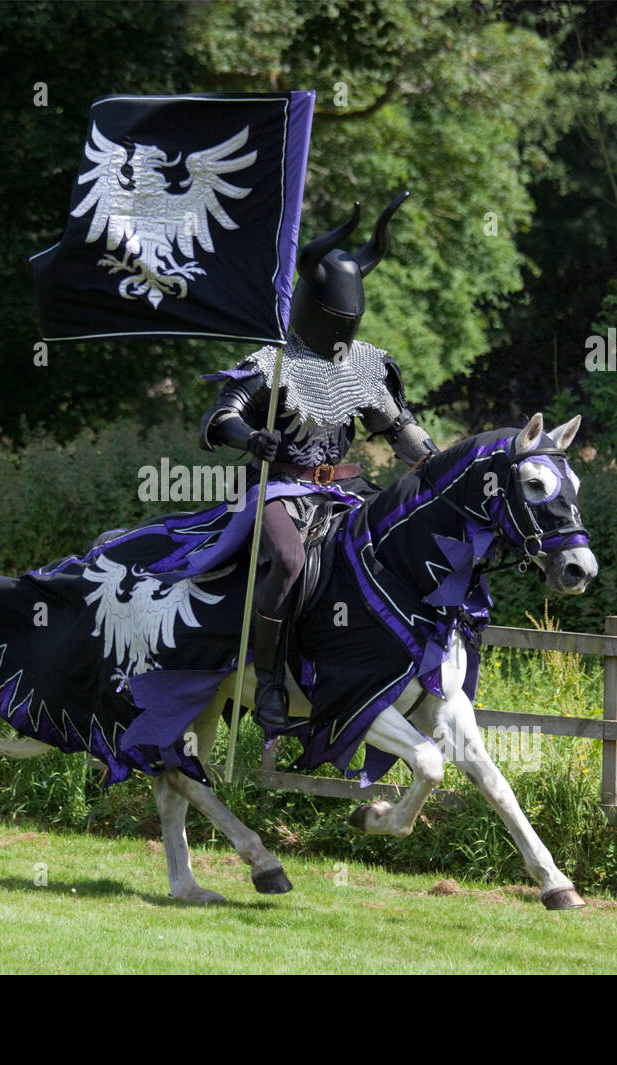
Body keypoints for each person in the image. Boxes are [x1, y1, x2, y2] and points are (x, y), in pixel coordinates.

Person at [199, 192, 438, 729]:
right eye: (335, 317)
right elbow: (217, 419)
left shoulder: (367, 365)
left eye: (350, 318)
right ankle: (267, 684)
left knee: (398, 541)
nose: (343, 328)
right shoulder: (271, 359)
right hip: (277, 487)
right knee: (287, 561)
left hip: (343, 489)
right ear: (313, 307)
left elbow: (397, 427)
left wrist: (434, 461)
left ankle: (371, 666)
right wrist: (248, 437)